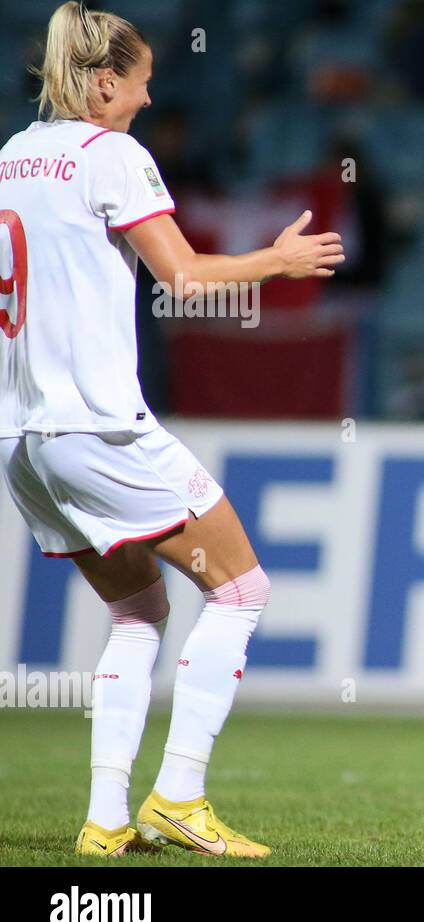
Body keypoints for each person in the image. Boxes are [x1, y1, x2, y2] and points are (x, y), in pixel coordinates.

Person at [0, 2, 343, 857]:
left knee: (138, 614)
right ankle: (179, 797)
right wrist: (279, 260)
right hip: (99, 427)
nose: (149, 101)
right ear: (106, 81)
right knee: (240, 590)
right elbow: (185, 279)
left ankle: (106, 819)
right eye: (143, 83)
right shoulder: (111, 155)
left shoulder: (11, 155)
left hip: (21, 436)